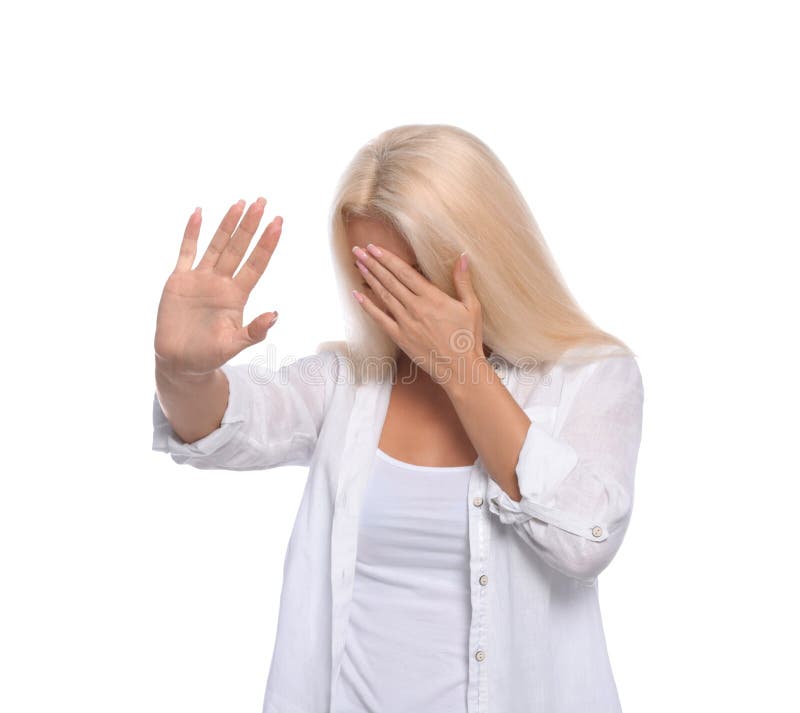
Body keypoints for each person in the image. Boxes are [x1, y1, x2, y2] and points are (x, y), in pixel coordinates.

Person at [152, 124, 644, 713]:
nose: (397, 308)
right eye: (374, 281)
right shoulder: (348, 383)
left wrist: (462, 369)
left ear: (485, 259)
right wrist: (181, 372)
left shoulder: (590, 376)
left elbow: (586, 540)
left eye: (411, 281)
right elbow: (229, 424)